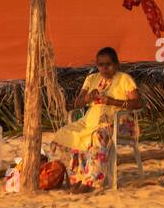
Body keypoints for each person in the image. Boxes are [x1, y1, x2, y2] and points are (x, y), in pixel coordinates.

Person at [49, 47, 141, 192]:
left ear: (116, 64)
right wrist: (87, 98)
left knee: (98, 136)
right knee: (62, 134)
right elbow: (77, 103)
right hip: (89, 121)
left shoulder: (124, 79)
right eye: (101, 65)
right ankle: (76, 177)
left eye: (108, 64)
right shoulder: (91, 79)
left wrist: (112, 102)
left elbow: (137, 103)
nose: (104, 68)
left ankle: (91, 181)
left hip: (117, 122)